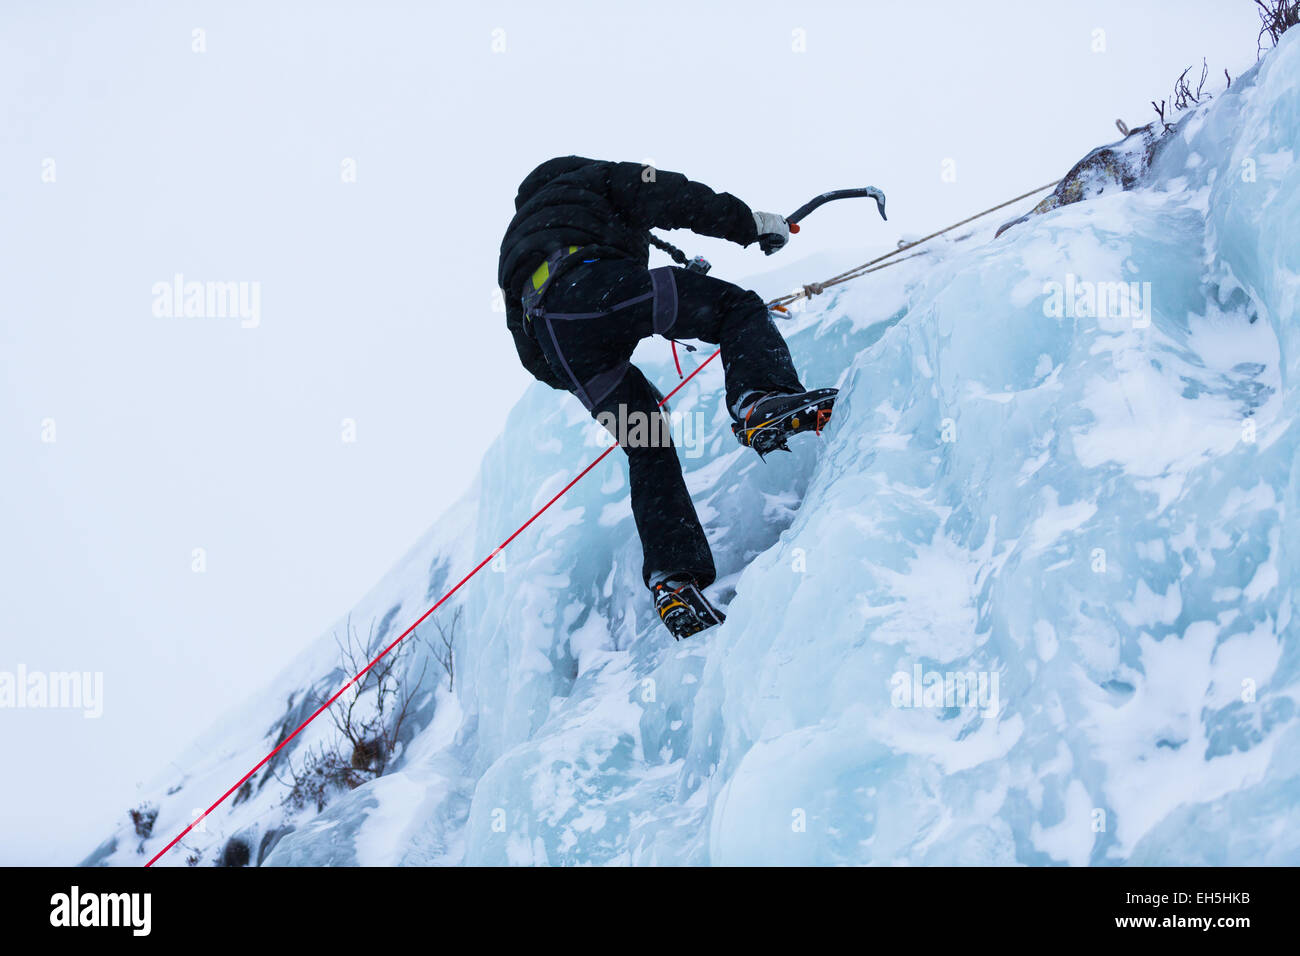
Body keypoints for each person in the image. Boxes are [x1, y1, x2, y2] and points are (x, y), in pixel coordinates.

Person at [498, 156, 836, 639]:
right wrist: (751, 225)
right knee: (735, 308)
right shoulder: (593, 178)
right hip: (595, 284)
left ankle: (674, 577)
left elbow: (530, 352)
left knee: (647, 438)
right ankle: (760, 399)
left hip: (559, 340)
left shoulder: (517, 241)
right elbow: (672, 195)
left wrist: (602, 381)